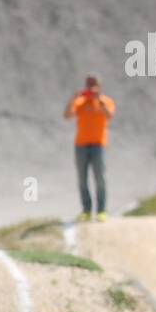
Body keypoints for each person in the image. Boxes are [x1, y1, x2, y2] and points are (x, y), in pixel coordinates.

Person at [63, 74, 116, 222]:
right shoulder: (80, 102)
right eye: (89, 85)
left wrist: (98, 98)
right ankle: (86, 210)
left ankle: (101, 210)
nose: (91, 88)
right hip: (81, 144)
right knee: (82, 178)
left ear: (99, 86)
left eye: (94, 85)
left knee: (100, 178)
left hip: (98, 144)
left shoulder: (105, 101)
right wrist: (73, 99)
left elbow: (109, 116)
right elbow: (67, 115)